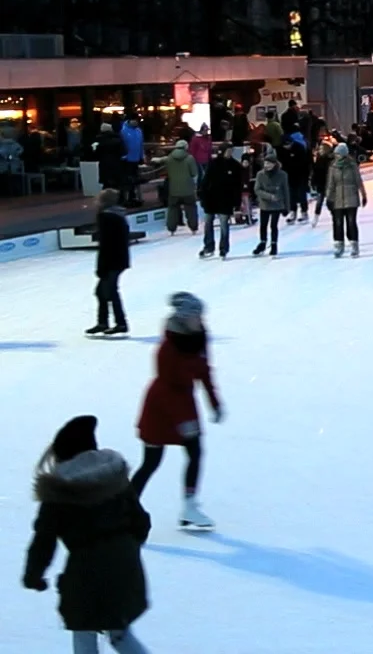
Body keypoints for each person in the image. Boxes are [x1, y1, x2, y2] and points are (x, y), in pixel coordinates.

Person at [23, 415, 153, 654]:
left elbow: (44, 540)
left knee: (83, 629)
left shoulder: (60, 490)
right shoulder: (115, 479)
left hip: (86, 570)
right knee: (119, 632)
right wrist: (127, 548)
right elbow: (141, 522)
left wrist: (34, 575)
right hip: (126, 564)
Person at [130, 292, 221, 530]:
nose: (201, 320)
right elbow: (168, 387)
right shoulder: (167, 350)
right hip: (161, 408)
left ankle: (189, 507)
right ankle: (124, 507)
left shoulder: (200, 337)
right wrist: (183, 421)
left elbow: (204, 371)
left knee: (195, 452)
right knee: (151, 462)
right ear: (184, 318)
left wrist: (214, 401)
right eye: (196, 316)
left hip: (184, 404)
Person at [87, 190, 133, 337]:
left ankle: (120, 323)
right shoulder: (118, 215)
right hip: (119, 259)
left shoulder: (106, 217)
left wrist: (101, 267)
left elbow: (106, 245)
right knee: (102, 291)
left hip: (112, 260)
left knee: (110, 291)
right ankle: (103, 322)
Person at [196, 146, 245, 260]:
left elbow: (238, 186)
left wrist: (237, 203)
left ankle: (223, 248)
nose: (229, 153)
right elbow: (205, 181)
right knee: (208, 223)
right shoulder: (213, 163)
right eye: (227, 151)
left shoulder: (235, 166)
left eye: (230, 151)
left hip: (226, 200)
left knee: (224, 225)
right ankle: (209, 246)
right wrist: (203, 196)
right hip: (211, 199)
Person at [326, 142, 368, 258]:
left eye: (338, 154)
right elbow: (331, 184)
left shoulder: (352, 165)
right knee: (338, 223)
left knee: (351, 222)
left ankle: (354, 245)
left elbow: (358, 181)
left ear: (344, 154)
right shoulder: (333, 167)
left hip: (351, 197)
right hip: (337, 198)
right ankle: (339, 245)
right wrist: (329, 198)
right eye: (336, 154)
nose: (336, 156)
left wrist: (363, 195)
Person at [251, 151, 289, 257]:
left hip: (277, 204)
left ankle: (274, 244)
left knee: (273, 225)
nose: (266, 165)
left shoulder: (282, 175)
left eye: (269, 163)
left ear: (274, 164)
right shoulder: (260, 174)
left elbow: (286, 190)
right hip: (265, 204)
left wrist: (287, 207)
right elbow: (257, 189)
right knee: (263, 225)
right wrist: (269, 196)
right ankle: (263, 242)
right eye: (265, 163)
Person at [161, 139, 200, 236]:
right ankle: (193, 227)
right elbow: (194, 173)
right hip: (188, 189)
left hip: (173, 189)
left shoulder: (169, 158)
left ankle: (171, 229)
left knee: (172, 208)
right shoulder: (190, 158)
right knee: (191, 208)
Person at [281, 131, 312, 222]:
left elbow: (305, 163)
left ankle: (304, 211)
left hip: (301, 175)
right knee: (291, 195)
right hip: (289, 176)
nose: (286, 147)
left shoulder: (300, 148)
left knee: (301, 194)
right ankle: (293, 211)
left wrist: (307, 175)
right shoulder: (283, 151)